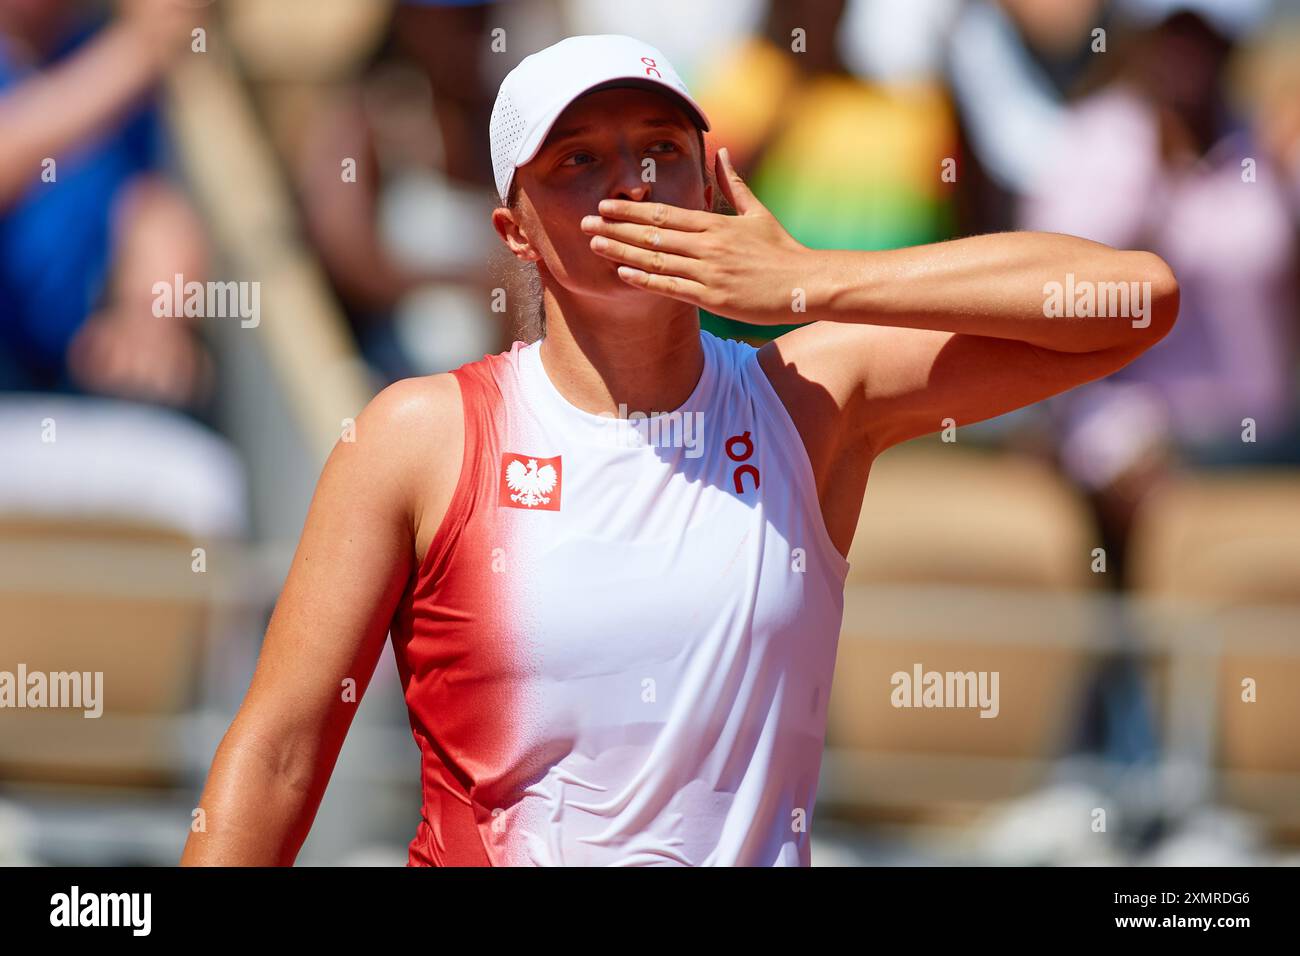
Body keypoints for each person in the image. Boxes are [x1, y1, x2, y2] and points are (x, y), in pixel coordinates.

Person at [181, 34, 1178, 867]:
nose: (631, 182)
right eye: (578, 160)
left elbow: (1133, 300)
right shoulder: (419, 434)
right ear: (514, 230)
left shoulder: (810, 394)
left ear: (713, 184)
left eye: (660, 148)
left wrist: (814, 280)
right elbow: (279, 749)